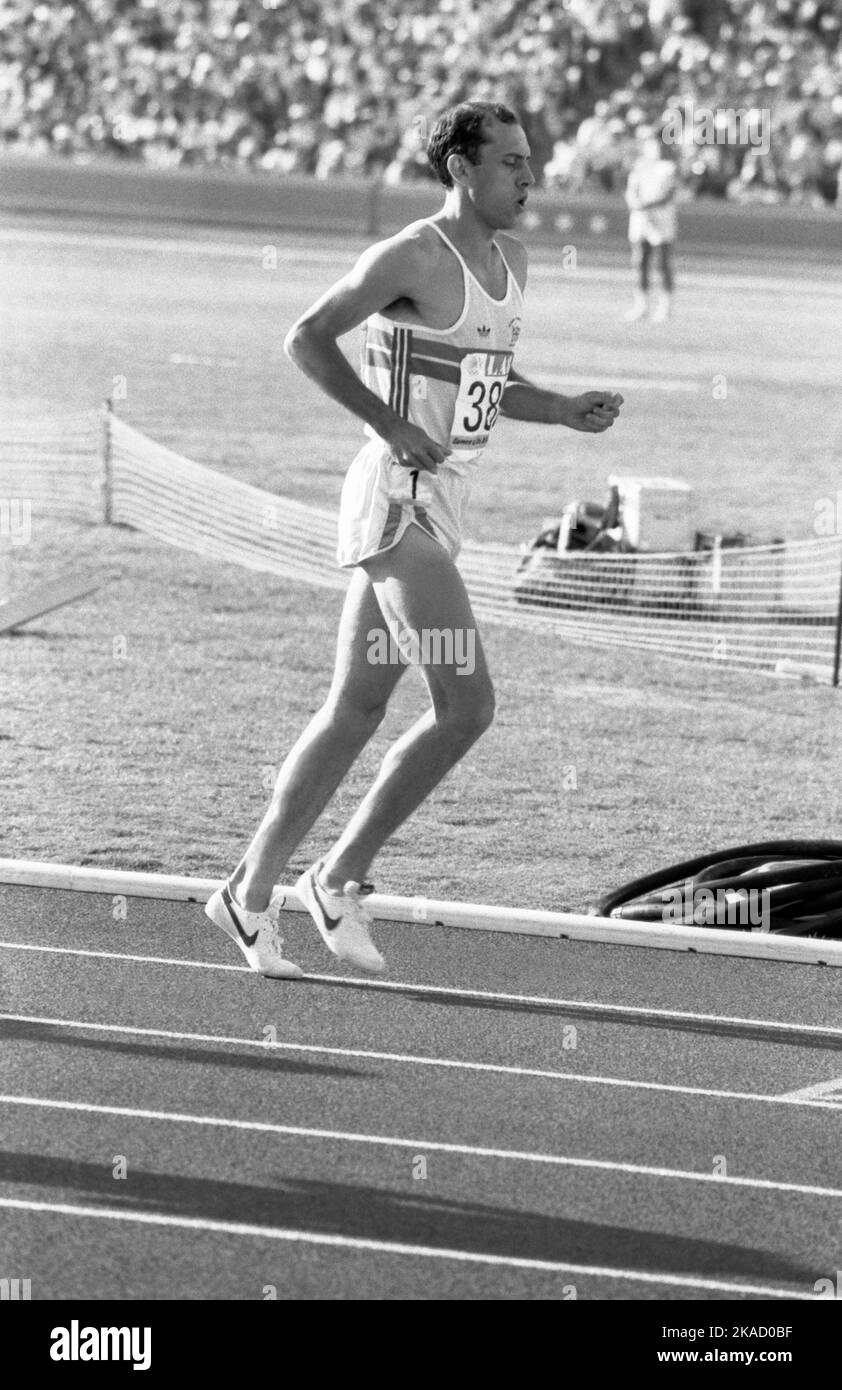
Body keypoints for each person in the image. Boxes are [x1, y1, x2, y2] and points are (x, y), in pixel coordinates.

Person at [205, 100, 623, 978]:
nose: (528, 176)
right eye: (510, 162)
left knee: (355, 709)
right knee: (467, 705)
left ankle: (247, 895)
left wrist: (562, 411)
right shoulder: (410, 257)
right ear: (461, 168)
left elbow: (487, 383)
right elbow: (306, 339)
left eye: (529, 159)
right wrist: (389, 424)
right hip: (396, 501)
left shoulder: (510, 263)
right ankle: (339, 877)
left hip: (445, 502)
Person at [624, 132, 678, 323]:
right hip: (641, 220)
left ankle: (665, 307)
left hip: (661, 219)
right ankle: (642, 305)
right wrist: (635, 204)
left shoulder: (668, 168)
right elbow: (631, 191)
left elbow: (669, 194)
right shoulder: (639, 167)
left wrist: (646, 206)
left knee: (663, 264)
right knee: (640, 262)